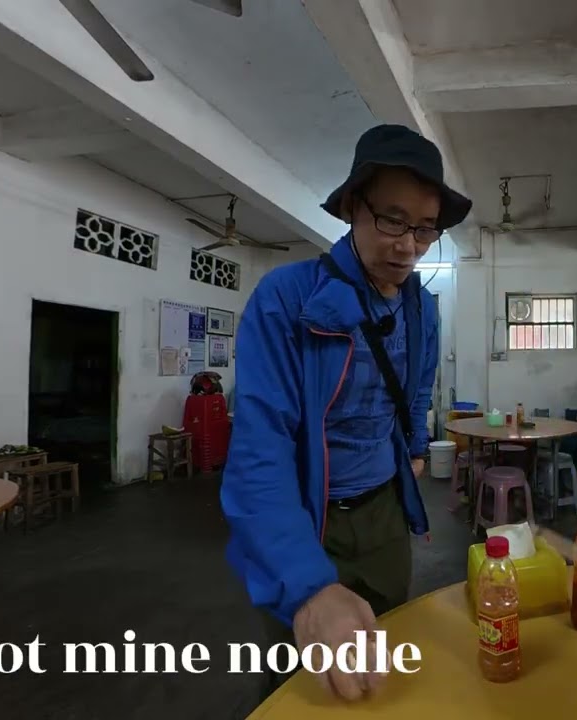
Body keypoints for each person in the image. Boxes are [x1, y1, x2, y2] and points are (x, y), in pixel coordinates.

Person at [221, 124, 471, 702]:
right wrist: (308, 589)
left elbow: (416, 391)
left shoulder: (421, 309)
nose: (409, 245)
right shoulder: (287, 298)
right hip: (306, 520)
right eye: (392, 219)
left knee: (384, 670)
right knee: (300, 684)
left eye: (425, 227)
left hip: (384, 516)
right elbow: (262, 449)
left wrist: (411, 448)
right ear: (353, 208)